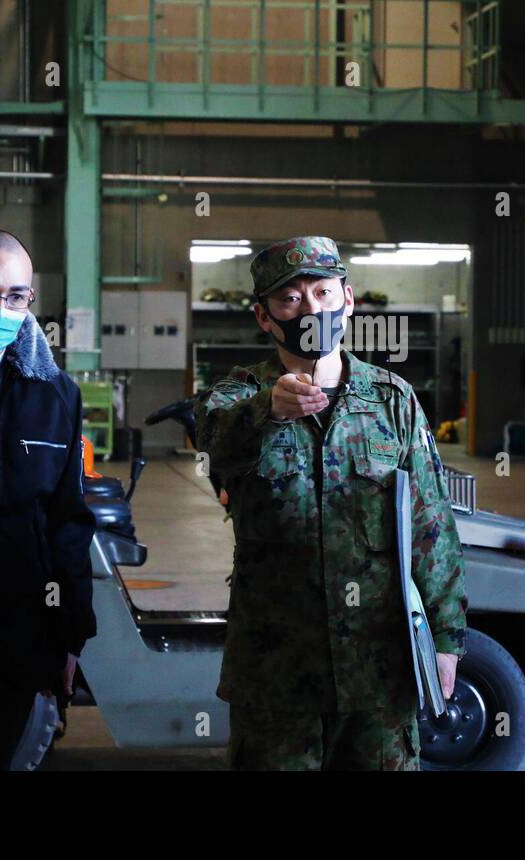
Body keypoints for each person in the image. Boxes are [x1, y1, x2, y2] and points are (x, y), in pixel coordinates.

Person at [194, 236, 466, 770]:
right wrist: (268, 410)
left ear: (348, 298)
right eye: (290, 299)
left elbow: (431, 522)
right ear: (264, 316)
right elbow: (216, 441)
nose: (311, 309)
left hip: (379, 671)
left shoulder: (393, 400)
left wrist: (447, 638)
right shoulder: (235, 396)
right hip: (277, 677)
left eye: (322, 292)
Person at [0, 229, 96, 771]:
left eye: (16, 297)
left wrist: (70, 632)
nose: (1, 309)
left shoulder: (54, 395)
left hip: (18, 628)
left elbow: (67, 520)